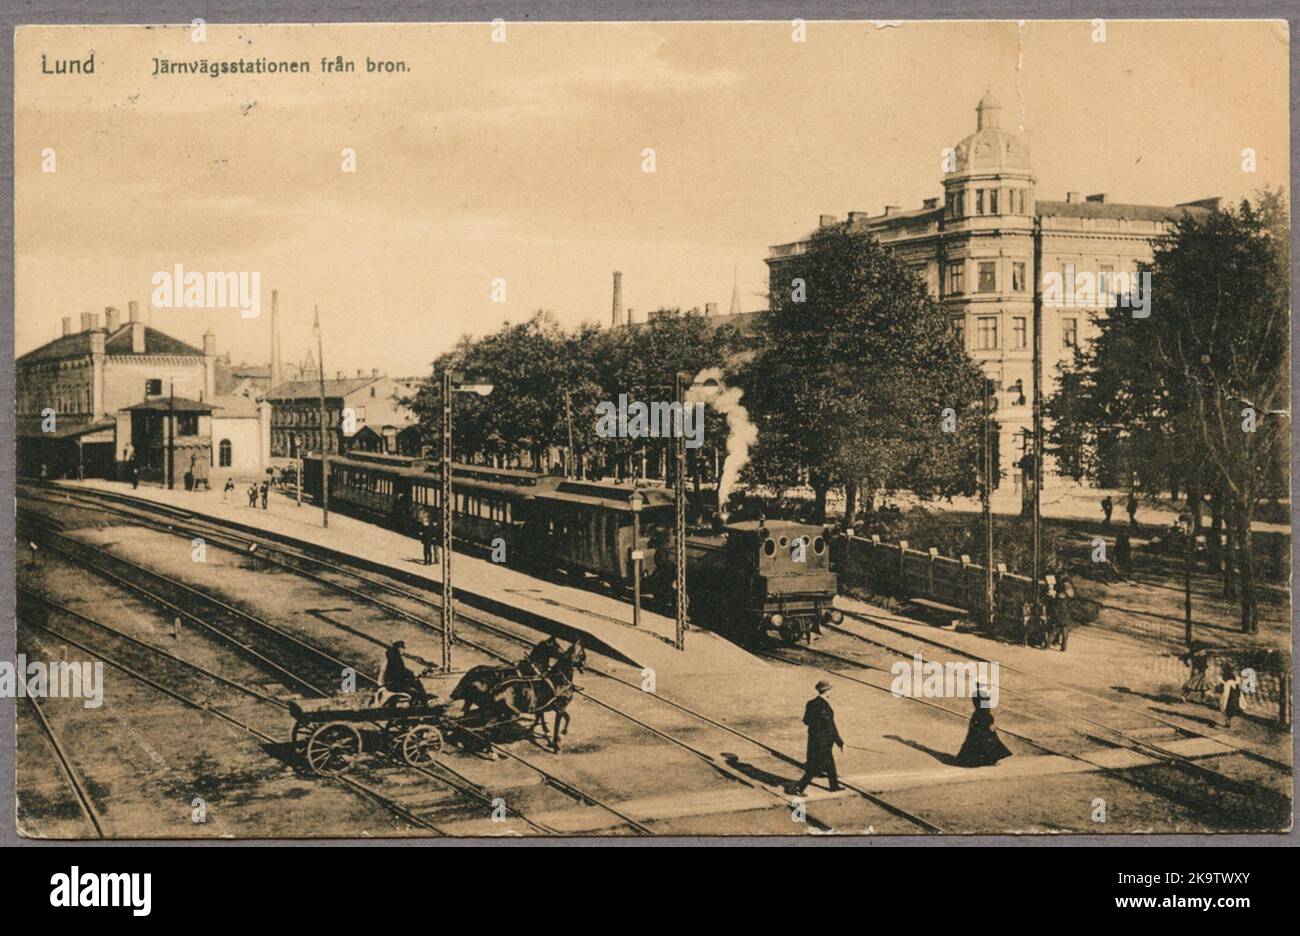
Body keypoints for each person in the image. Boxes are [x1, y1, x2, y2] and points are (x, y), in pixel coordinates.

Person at [789, 680, 844, 795]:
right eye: (829, 690)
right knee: (815, 767)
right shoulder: (824, 706)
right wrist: (840, 742)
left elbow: (806, 721)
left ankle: (833, 785)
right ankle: (799, 788)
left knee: (829, 763)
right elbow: (831, 726)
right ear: (826, 691)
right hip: (822, 741)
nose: (830, 692)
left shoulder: (811, 703)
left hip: (813, 739)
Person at [956, 685, 1013, 766]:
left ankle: (968, 760)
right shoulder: (983, 694)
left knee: (975, 739)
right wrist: (991, 721)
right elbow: (985, 709)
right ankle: (990, 760)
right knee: (988, 739)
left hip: (977, 718)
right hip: (983, 719)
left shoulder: (975, 693)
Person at [378, 640, 430, 707]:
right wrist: (413, 674)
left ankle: (416, 706)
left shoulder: (391, 659)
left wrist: (411, 674)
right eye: (402, 648)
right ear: (398, 648)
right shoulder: (395, 660)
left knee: (414, 686)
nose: (403, 650)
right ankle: (422, 707)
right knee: (417, 692)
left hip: (392, 684)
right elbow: (401, 671)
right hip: (394, 685)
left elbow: (402, 671)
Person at [1049, 575, 1075, 651]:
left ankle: (1047, 644)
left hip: (1060, 615)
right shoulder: (1068, 596)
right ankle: (1063, 647)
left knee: (1054, 631)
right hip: (1066, 615)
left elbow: (1055, 604)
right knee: (1064, 631)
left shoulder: (1059, 597)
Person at [1219, 664, 1242, 729]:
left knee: (1225, 706)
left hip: (1227, 694)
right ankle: (1228, 721)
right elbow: (1237, 686)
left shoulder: (1223, 677)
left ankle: (1228, 721)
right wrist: (1238, 693)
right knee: (1230, 707)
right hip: (1232, 694)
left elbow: (1221, 688)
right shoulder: (1234, 677)